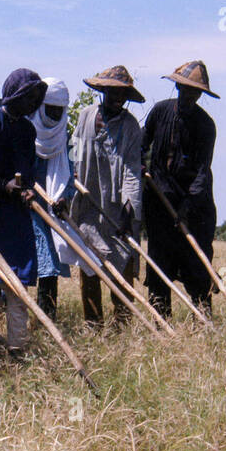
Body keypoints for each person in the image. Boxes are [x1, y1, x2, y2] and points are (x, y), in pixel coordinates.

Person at [141, 60, 220, 320]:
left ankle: (203, 323)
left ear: (200, 94)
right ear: (176, 87)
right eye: (185, 90)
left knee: (196, 268)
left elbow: (202, 171)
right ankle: (161, 323)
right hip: (158, 202)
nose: (189, 96)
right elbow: (142, 144)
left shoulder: (205, 125)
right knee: (158, 266)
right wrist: (140, 166)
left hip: (193, 208)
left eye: (195, 92)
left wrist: (186, 208)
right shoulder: (159, 111)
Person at [69, 66, 144, 326]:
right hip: (89, 206)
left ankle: (122, 329)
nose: (117, 98)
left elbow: (133, 170)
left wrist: (129, 209)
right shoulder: (85, 116)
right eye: (112, 92)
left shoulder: (131, 127)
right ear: (103, 91)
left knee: (121, 270)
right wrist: (74, 178)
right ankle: (93, 324)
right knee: (89, 268)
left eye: (122, 94)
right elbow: (74, 153)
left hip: (117, 212)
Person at [0, 69, 46, 353]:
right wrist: (0, 185)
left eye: (36, 99)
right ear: (15, 95)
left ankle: (17, 347)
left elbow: (29, 171)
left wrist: (28, 188)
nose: (32, 104)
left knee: (17, 282)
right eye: (28, 97)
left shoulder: (28, 130)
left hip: (16, 217)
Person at [28, 78, 75, 318]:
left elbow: (68, 170)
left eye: (59, 110)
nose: (55, 115)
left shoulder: (63, 134)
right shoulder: (26, 127)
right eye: (51, 109)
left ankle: (47, 317)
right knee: (19, 261)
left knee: (50, 263)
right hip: (23, 204)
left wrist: (64, 197)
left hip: (50, 207)